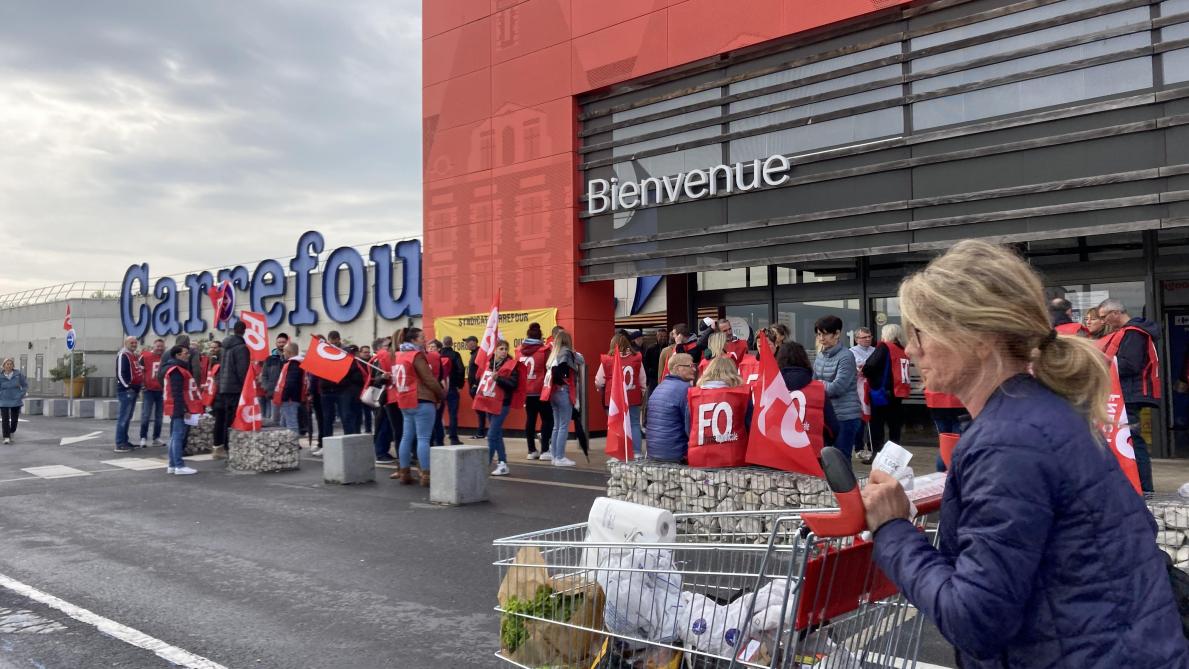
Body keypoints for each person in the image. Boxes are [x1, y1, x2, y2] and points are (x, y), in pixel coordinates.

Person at [861, 239, 1187, 668]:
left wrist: (892, 529)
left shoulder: (1007, 441)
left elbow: (975, 620)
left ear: (978, 338)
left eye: (919, 332)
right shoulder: (1047, 411)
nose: (913, 349)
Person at [1097, 298, 1162, 495]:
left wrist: (1101, 361)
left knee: (1131, 439)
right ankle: (1140, 486)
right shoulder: (1131, 332)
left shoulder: (1133, 333)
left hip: (1130, 393)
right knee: (1128, 439)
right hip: (1129, 392)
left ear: (1115, 313)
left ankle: (1144, 487)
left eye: (1104, 317)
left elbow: (1130, 364)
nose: (1103, 322)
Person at [389, 327, 445, 487]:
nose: (425, 339)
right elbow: (429, 379)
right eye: (422, 337)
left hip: (405, 399)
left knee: (407, 437)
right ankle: (426, 475)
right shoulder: (417, 355)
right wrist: (441, 394)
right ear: (413, 340)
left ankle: (404, 472)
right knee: (423, 438)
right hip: (421, 399)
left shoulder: (398, 354)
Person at [812, 315, 861, 458]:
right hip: (826, 414)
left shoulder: (846, 356)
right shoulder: (820, 355)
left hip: (845, 416)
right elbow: (813, 382)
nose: (821, 338)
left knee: (841, 458)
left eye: (825, 333)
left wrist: (819, 384)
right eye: (819, 334)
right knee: (826, 459)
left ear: (837, 333)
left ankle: (849, 482)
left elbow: (837, 387)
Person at [861, 324, 911, 458]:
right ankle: (894, 456)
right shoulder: (902, 350)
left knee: (877, 424)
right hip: (897, 393)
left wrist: (864, 370)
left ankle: (877, 454)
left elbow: (870, 366)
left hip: (882, 392)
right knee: (895, 426)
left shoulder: (884, 347)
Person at [776, 342, 838, 444]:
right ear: (805, 360)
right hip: (812, 451)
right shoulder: (819, 389)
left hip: (779, 452)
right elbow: (833, 427)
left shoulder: (771, 389)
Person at [475, 339, 519, 477]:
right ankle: (502, 463)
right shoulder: (490, 364)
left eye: (505, 349)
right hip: (489, 401)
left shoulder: (511, 365)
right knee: (497, 435)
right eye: (501, 349)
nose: (504, 351)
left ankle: (485, 463)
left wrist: (498, 379)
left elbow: (513, 384)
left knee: (492, 435)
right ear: (495, 350)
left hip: (502, 403)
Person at [596, 333, 646, 453]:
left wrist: (601, 390)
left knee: (615, 425)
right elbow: (642, 379)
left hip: (614, 399)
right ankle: (636, 452)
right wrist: (642, 393)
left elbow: (599, 381)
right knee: (634, 424)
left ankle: (618, 453)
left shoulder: (607, 359)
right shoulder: (637, 357)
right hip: (633, 396)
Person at [645, 353, 695, 462]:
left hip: (653, 452)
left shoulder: (659, 387)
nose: (694, 369)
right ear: (678, 368)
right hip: (676, 454)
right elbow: (691, 428)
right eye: (690, 366)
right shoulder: (686, 389)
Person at [212, 321, 250, 460]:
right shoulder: (241, 348)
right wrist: (245, 387)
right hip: (236, 388)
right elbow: (242, 371)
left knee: (223, 418)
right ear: (244, 331)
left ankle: (221, 447)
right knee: (233, 419)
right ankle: (231, 448)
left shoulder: (224, 347)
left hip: (223, 387)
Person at [161, 345, 200, 476]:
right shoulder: (177, 370)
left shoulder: (175, 369)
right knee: (178, 436)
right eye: (185, 353)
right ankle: (179, 465)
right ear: (177, 355)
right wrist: (184, 409)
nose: (187, 355)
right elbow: (176, 392)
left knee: (174, 436)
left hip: (175, 406)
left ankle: (172, 465)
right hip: (178, 407)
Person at [517, 323, 553, 460]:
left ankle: (531, 450)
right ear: (540, 336)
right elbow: (549, 370)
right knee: (547, 420)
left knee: (530, 419)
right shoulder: (544, 351)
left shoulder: (519, 351)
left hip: (526, 391)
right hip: (541, 390)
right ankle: (545, 450)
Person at [545, 331, 578, 468]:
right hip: (563, 391)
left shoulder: (554, 353)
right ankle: (560, 457)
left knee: (556, 426)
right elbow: (561, 371)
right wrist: (564, 381)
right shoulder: (566, 352)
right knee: (563, 426)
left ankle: (554, 456)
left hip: (553, 392)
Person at [114, 336, 143, 453]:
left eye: (135, 343)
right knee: (123, 418)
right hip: (126, 391)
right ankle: (120, 443)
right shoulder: (123, 355)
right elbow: (120, 374)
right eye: (132, 343)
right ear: (125, 343)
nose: (134, 344)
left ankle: (125, 441)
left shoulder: (133, 356)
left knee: (127, 418)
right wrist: (128, 387)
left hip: (133, 391)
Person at [138, 338, 166, 447]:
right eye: (157, 346)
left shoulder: (166, 357)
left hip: (161, 390)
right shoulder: (145, 356)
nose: (159, 348)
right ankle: (143, 437)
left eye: (161, 346)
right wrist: (142, 385)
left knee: (159, 416)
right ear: (153, 346)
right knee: (146, 415)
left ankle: (156, 437)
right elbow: (138, 371)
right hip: (149, 390)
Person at [274, 342, 304, 434]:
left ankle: (293, 444)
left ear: (290, 352)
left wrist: (284, 397)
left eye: (284, 351)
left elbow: (290, 382)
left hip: (290, 399)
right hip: (291, 398)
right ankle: (287, 444)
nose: (283, 353)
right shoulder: (298, 363)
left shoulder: (293, 364)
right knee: (284, 424)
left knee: (291, 424)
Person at [259, 332, 289, 426]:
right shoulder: (269, 359)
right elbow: (264, 375)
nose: (281, 344)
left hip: (288, 394)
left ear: (287, 342)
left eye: (283, 342)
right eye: (279, 342)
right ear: (276, 344)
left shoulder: (291, 358)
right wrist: (267, 387)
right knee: (275, 419)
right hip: (274, 393)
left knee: (287, 418)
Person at [440, 336, 465, 445]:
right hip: (452, 387)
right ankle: (453, 438)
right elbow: (461, 370)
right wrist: (460, 385)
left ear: (442, 343)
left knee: (437, 414)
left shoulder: (437, 355)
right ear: (452, 343)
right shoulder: (455, 355)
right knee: (453, 414)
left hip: (439, 387)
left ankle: (438, 438)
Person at [0, 358, 28, 445]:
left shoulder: (18, 374)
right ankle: (6, 437)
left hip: (15, 399)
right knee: (5, 419)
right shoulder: (0, 376)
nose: (9, 365)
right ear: (3, 366)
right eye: (7, 364)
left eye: (10, 364)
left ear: (13, 366)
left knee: (14, 419)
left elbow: (25, 385)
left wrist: (21, 394)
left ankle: (12, 432)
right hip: (3, 399)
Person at [464, 335, 486, 439]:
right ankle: (481, 432)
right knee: (479, 410)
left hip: (477, 387)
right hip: (473, 387)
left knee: (480, 409)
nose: (466, 344)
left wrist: (476, 384)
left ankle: (481, 432)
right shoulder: (474, 354)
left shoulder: (479, 354)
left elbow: (481, 370)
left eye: (468, 342)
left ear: (474, 342)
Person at [643, 328, 670, 394]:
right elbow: (646, 364)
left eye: (664, 336)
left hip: (665, 377)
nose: (663, 338)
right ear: (657, 336)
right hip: (653, 378)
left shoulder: (668, 348)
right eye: (661, 336)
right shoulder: (650, 348)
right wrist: (649, 375)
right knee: (652, 395)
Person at [357, 345, 375, 433]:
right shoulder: (357, 363)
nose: (367, 354)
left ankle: (368, 429)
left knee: (368, 412)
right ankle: (358, 430)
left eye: (368, 352)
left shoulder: (373, 362)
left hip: (370, 389)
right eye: (365, 352)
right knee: (359, 412)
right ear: (360, 353)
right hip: (360, 389)